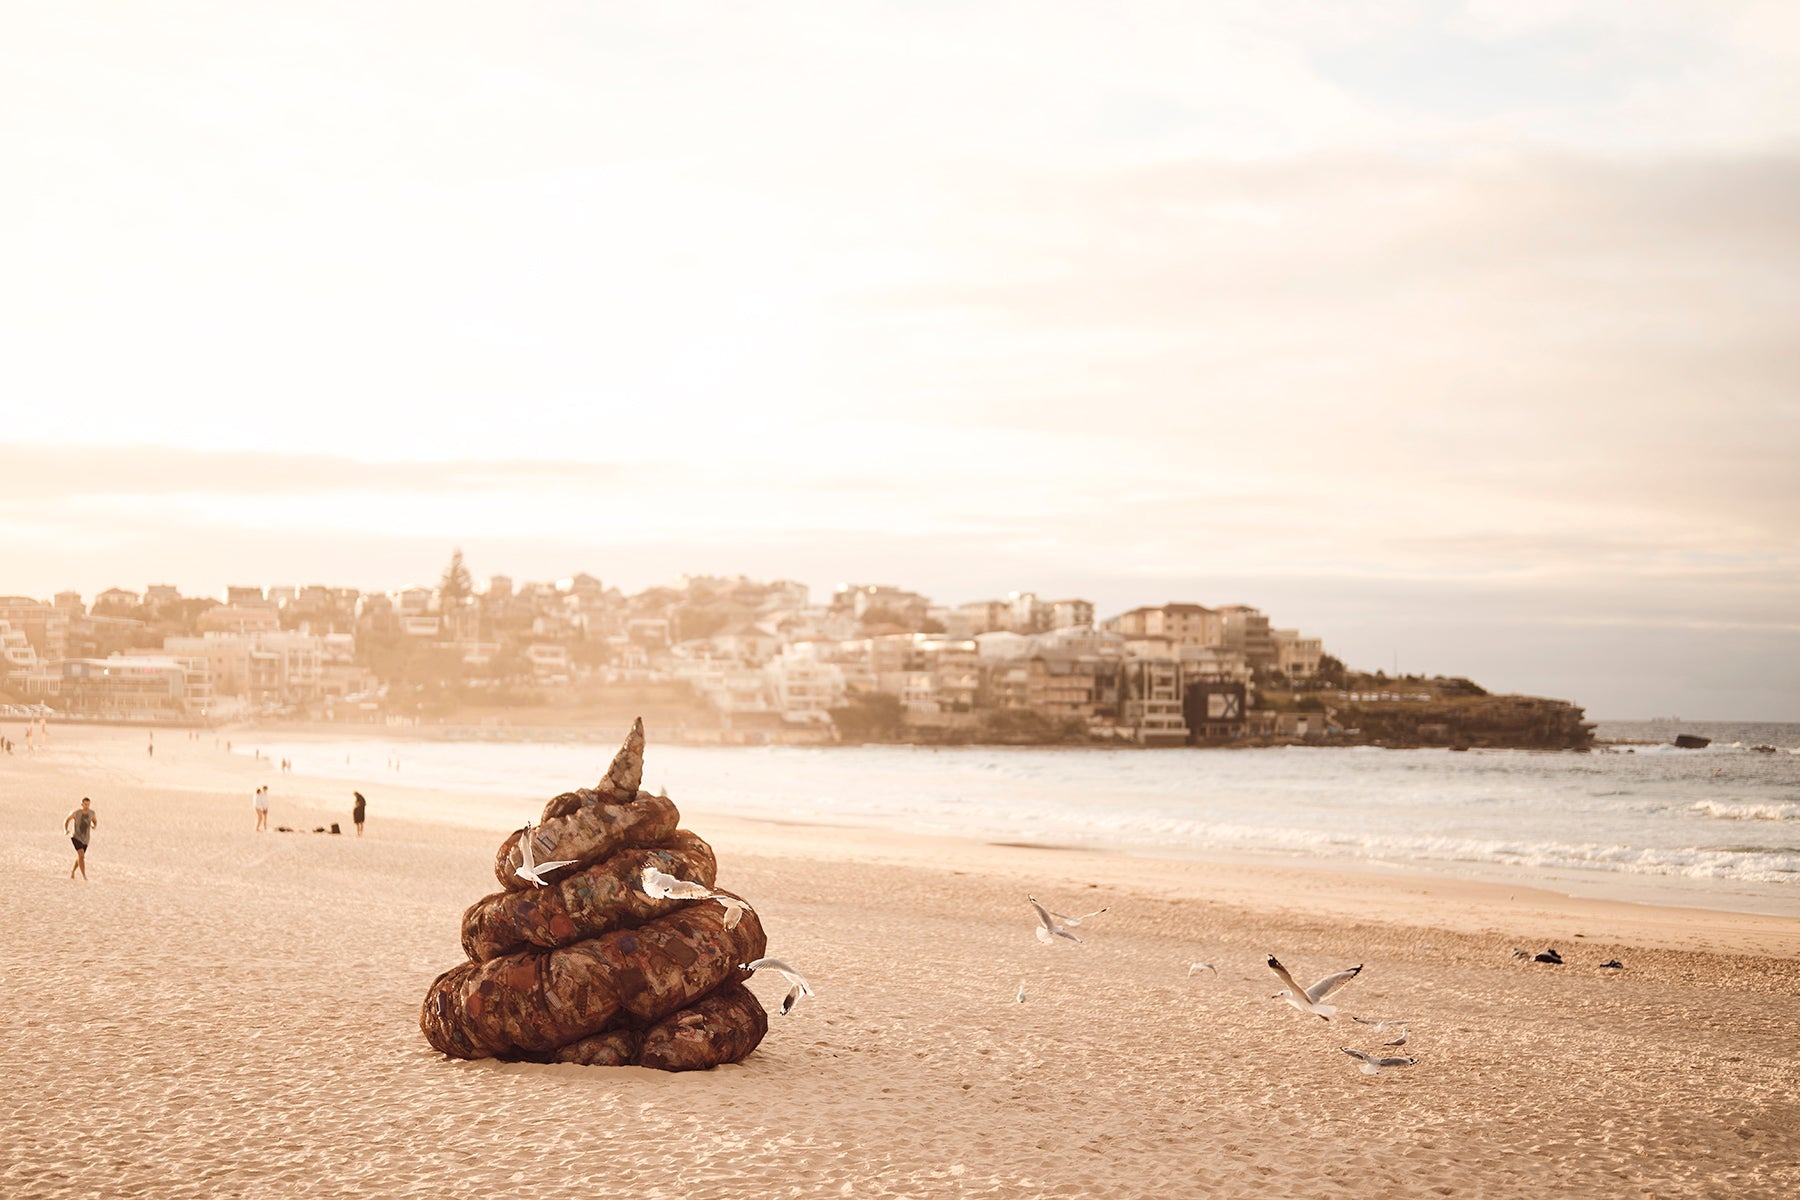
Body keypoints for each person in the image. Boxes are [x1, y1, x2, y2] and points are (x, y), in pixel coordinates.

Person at [64, 797, 97, 880]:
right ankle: (84, 876)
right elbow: (67, 820)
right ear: (82, 804)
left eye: (88, 804)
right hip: (75, 837)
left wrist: (94, 826)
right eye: (85, 804)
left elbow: (94, 820)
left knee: (80, 857)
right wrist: (66, 830)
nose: (87, 806)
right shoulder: (76, 813)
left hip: (86, 839)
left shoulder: (92, 813)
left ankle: (72, 871)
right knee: (81, 855)